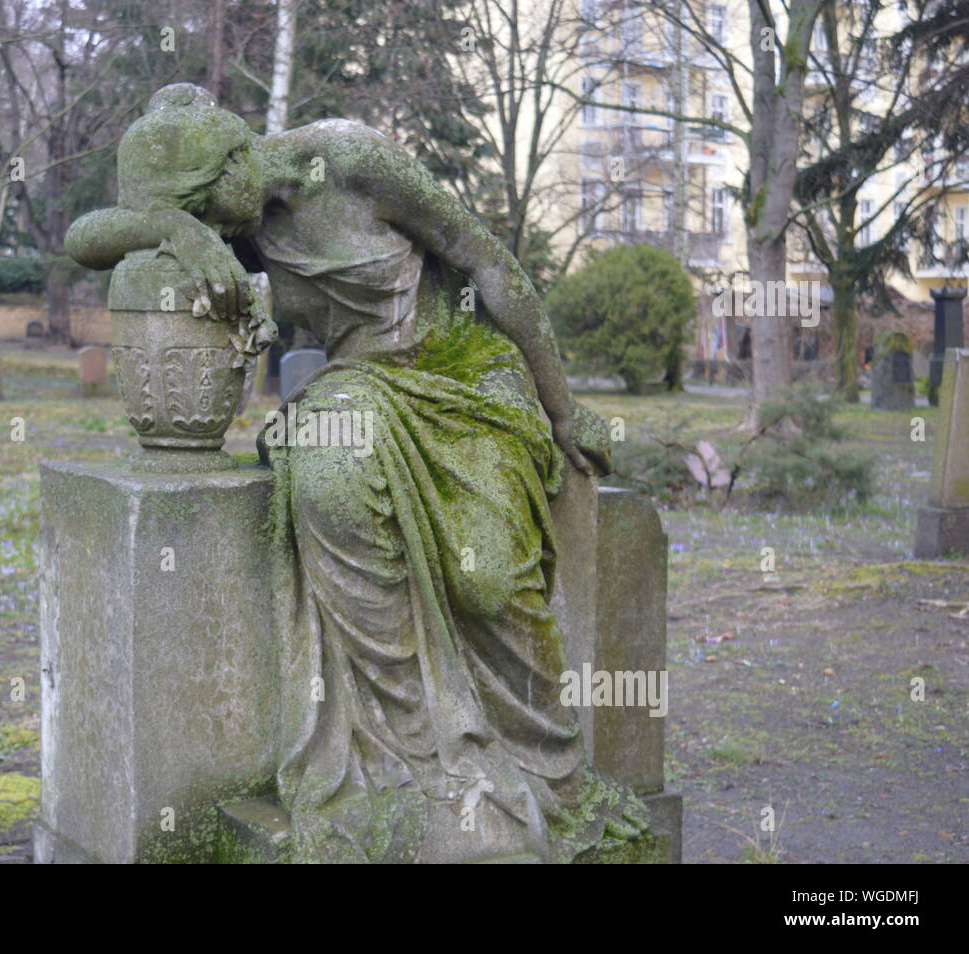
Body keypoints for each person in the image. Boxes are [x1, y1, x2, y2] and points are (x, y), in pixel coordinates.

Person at [67, 83, 649, 862]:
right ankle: (417, 755)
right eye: (199, 214)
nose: (217, 225)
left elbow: (485, 256)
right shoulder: (227, 225)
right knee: (328, 481)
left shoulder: (348, 159)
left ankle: (550, 770)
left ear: (242, 157)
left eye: (211, 204)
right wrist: (176, 228)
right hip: (359, 386)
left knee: (487, 581)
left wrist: (564, 406)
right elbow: (86, 235)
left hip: (467, 376)